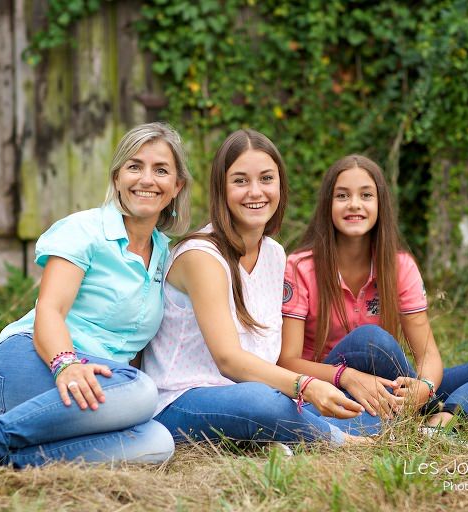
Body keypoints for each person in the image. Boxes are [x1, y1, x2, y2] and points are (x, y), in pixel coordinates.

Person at [0, 122, 193, 476]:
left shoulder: (165, 255)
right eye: (135, 167)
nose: (147, 179)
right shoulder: (84, 231)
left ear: (176, 186)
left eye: (161, 170)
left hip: (92, 391)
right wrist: (66, 364)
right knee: (142, 391)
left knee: (157, 442)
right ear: (117, 178)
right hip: (34, 363)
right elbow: (50, 311)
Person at [142, 130, 380, 448]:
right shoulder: (201, 256)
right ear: (221, 189)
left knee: (364, 359)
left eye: (266, 178)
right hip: (183, 401)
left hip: (261, 391)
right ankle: (337, 439)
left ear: (280, 184)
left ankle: (296, 431)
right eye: (240, 181)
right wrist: (306, 385)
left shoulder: (274, 253)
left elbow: (271, 357)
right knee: (261, 401)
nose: (256, 191)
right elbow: (229, 360)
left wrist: (337, 379)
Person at [279, 154, 468, 436]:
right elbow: (288, 361)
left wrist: (425, 387)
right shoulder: (300, 266)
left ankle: (440, 420)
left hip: (388, 382)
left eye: (366, 195)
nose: (355, 204)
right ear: (327, 205)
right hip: (327, 383)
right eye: (342, 195)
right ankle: (404, 415)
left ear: (381, 204)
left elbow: (428, 354)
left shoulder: (399, 265)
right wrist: (347, 376)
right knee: (371, 339)